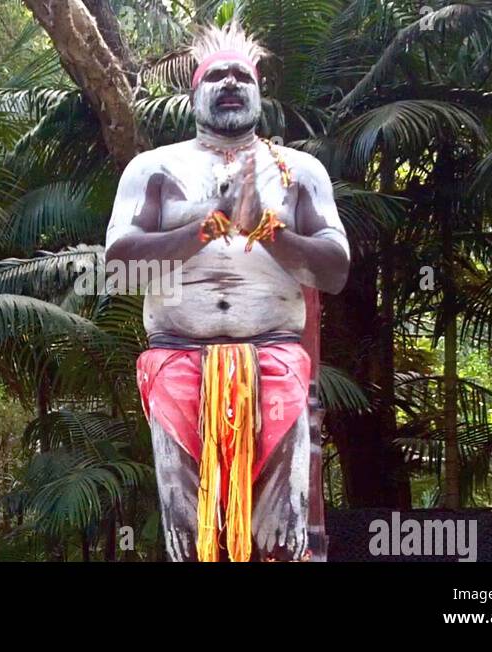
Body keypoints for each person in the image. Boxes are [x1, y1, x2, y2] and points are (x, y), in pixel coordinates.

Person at [105, 22, 350, 561]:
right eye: (217, 76)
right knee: (187, 528)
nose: (231, 83)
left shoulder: (299, 172)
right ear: (195, 93)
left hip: (274, 358)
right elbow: (121, 265)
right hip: (177, 357)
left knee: (280, 525)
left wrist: (267, 227)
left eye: (243, 75)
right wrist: (206, 226)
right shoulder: (154, 169)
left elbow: (334, 272)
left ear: (260, 92)